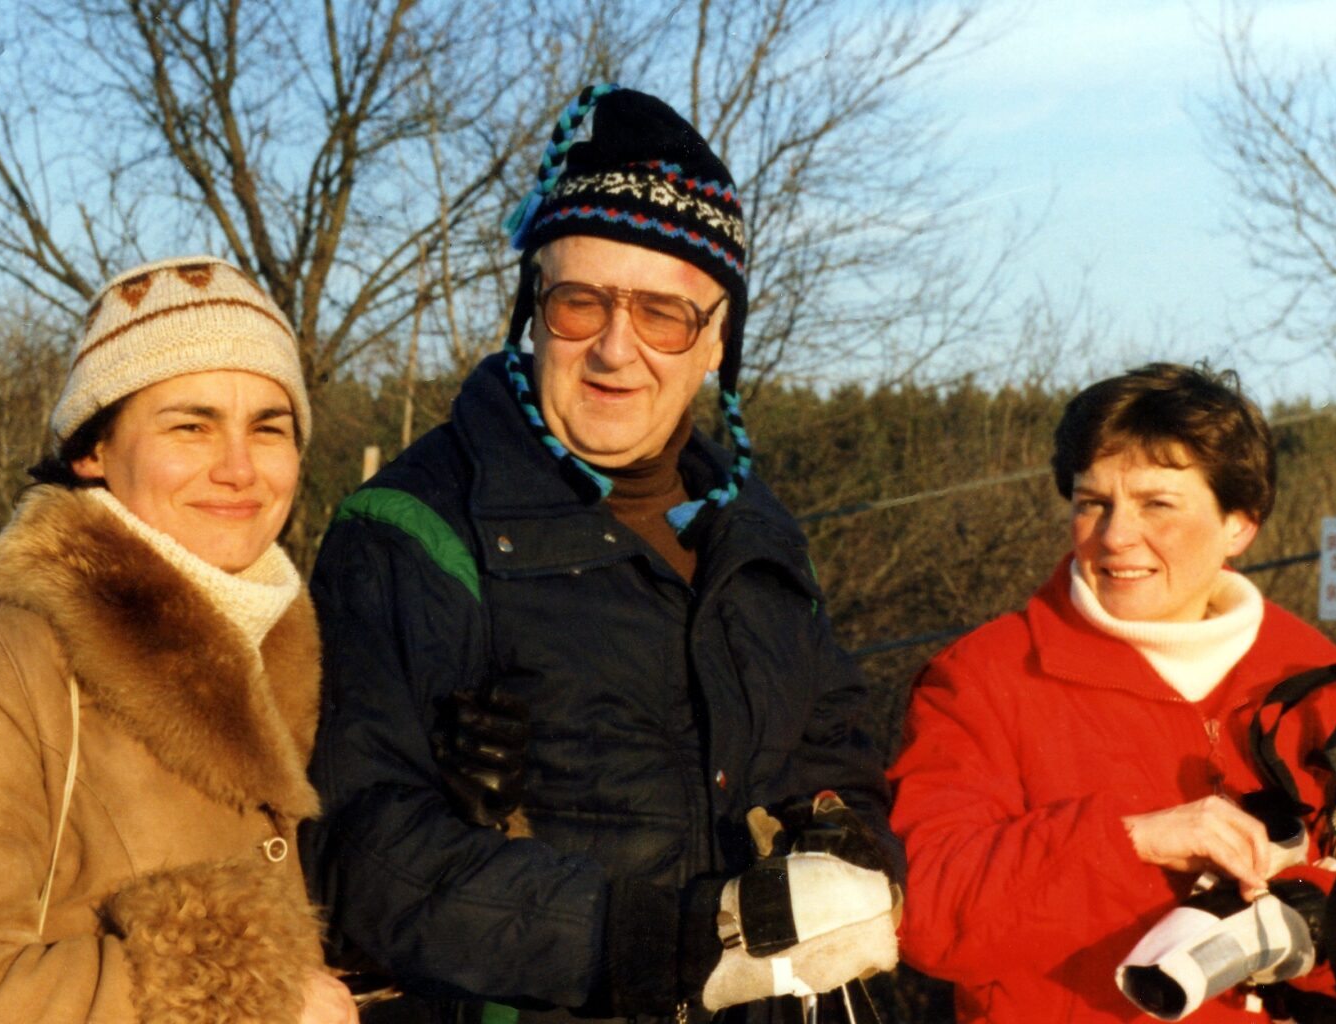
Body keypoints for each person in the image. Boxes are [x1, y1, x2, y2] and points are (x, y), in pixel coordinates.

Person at [304, 85, 901, 1024]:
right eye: (581, 303)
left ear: (715, 341)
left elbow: (836, 751)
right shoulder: (413, 530)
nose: (616, 351)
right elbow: (366, 855)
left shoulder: (755, 531)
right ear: (533, 311)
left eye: (663, 315)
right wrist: (663, 941)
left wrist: (848, 843)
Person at [0, 256, 358, 1024]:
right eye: (190, 426)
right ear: (92, 451)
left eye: (268, 427)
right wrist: (247, 997)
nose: (238, 468)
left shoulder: (304, 650)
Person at [888, 362, 1336, 1023]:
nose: (1115, 536)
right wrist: (1132, 842)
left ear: (1238, 524)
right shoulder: (983, 679)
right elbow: (923, 915)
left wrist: (1314, 921)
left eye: (1156, 504)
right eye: (1092, 503)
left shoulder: (1320, 686)